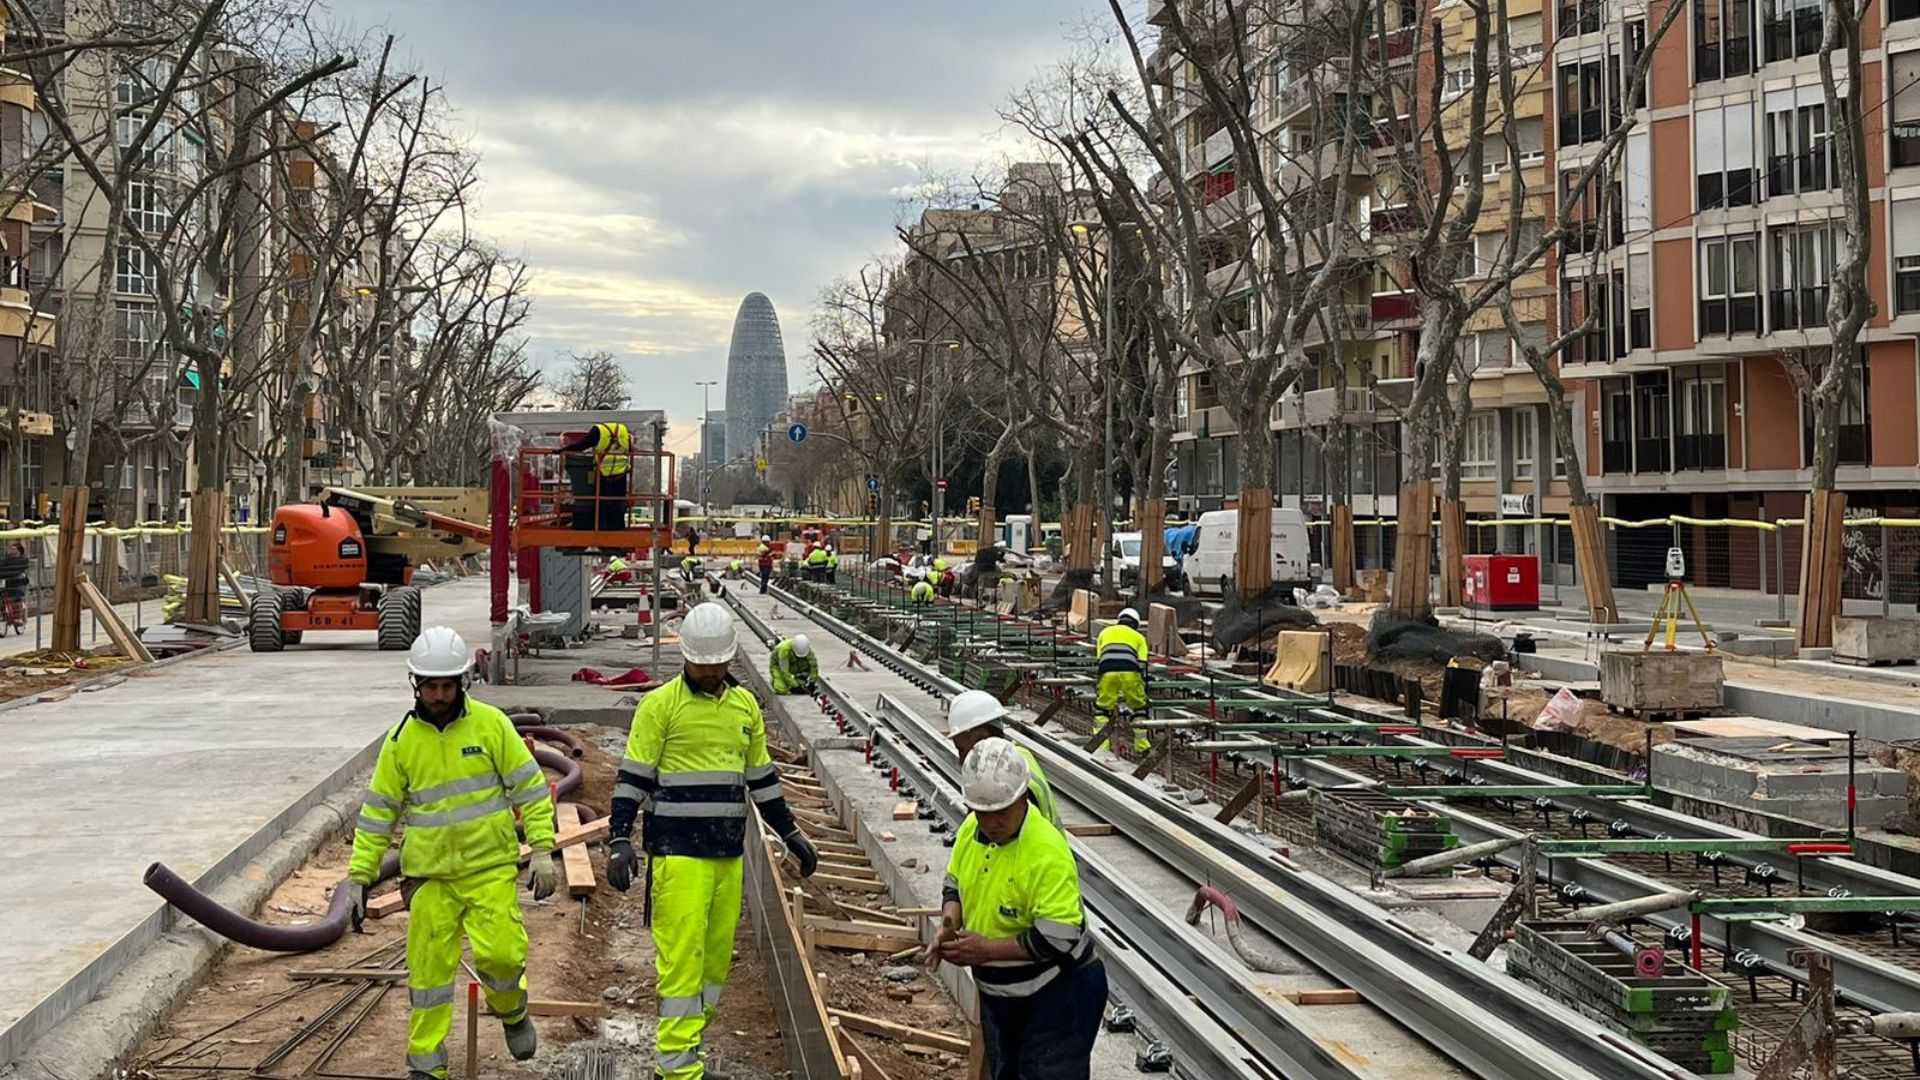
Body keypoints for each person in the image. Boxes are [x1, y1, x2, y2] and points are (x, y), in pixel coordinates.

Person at [606, 603, 819, 1080]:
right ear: (686, 657)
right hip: (678, 856)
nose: (710, 670)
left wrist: (791, 833)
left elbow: (762, 780)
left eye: (718, 663)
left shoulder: (744, 708)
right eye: (703, 663)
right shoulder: (659, 707)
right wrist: (619, 838)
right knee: (682, 962)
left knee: (714, 964)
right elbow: (632, 779)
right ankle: (677, 1071)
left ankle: (688, 1056)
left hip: (727, 854)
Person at [347, 628, 558, 1079]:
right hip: (429, 877)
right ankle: (427, 1065)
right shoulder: (401, 742)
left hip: (490, 867)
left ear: (462, 682)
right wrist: (359, 876)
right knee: (428, 978)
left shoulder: (491, 725)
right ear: (415, 685)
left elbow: (531, 790)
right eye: (430, 686)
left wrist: (541, 848)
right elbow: (377, 814)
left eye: (447, 686)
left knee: (502, 957)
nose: (439, 695)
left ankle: (512, 1010)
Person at [928, 738, 1104, 1080]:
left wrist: (985, 950)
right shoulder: (971, 830)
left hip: (1058, 996)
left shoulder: (1045, 852)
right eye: (983, 813)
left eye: (1001, 813)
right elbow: (955, 883)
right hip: (1003, 998)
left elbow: (1060, 938)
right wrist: (948, 925)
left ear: (1022, 798)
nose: (991, 823)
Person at [944, 690, 1059, 825]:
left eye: (962, 750)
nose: (961, 760)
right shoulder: (1019, 755)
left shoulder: (1008, 784)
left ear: (983, 738)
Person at [1094, 608, 1152, 756]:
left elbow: (1100, 657)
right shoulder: (1139, 637)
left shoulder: (1104, 633)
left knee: (1103, 708)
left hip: (1107, 670)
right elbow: (1142, 663)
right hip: (1129, 671)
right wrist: (1141, 687)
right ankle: (1142, 746)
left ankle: (1101, 746)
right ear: (1136, 624)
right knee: (1139, 708)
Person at [556, 420, 631, 531]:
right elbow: (630, 447)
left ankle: (602, 532)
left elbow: (582, 445)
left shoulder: (599, 429)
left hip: (604, 474)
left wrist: (562, 450)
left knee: (602, 503)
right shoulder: (623, 429)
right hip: (621, 474)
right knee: (618, 503)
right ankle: (618, 532)